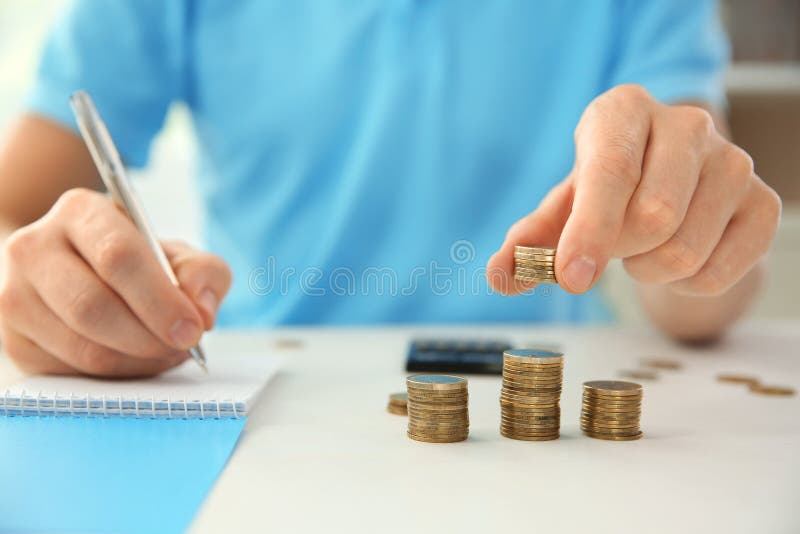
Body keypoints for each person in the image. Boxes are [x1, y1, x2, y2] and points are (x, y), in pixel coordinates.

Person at [0, 1, 781, 377]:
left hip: (535, 386)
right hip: (254, 386)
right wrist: (51, 289)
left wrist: (702, 242)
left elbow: (699, 282)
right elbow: (14, 210)